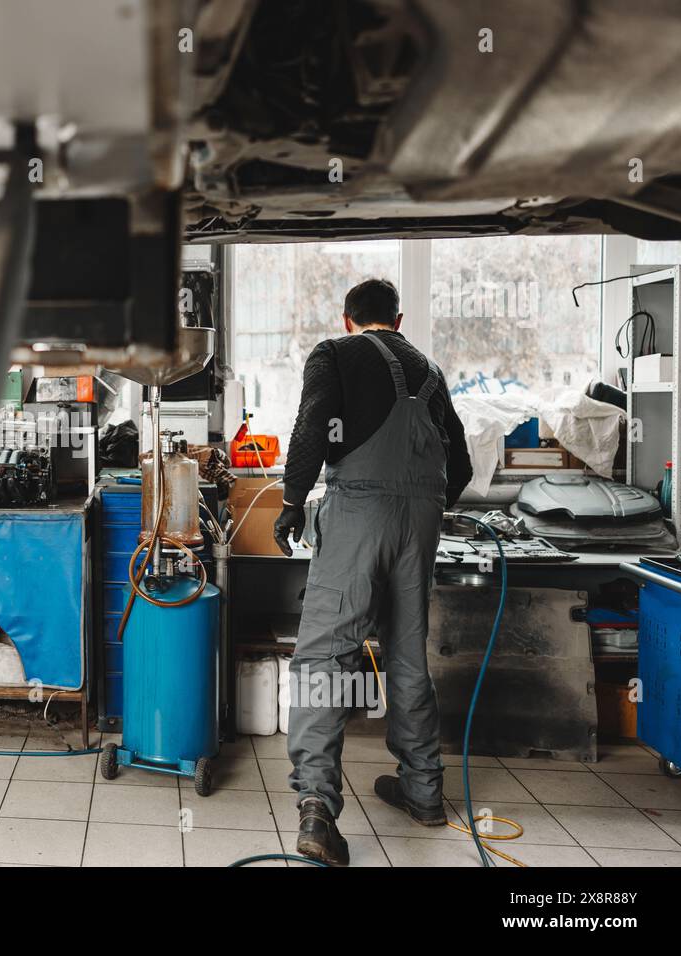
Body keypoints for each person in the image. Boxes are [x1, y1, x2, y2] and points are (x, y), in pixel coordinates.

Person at [272, 278, 472, 866]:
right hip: (421, 520)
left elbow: (312, 425)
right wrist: (421, 507)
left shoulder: (335, 352)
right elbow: (458, 462)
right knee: (407, 654)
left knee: (324, 657)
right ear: (399, 320)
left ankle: (316, 810)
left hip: (359, 512)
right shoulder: (430, 371)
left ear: (348, 317)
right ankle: (423, 791)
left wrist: (291, 500)